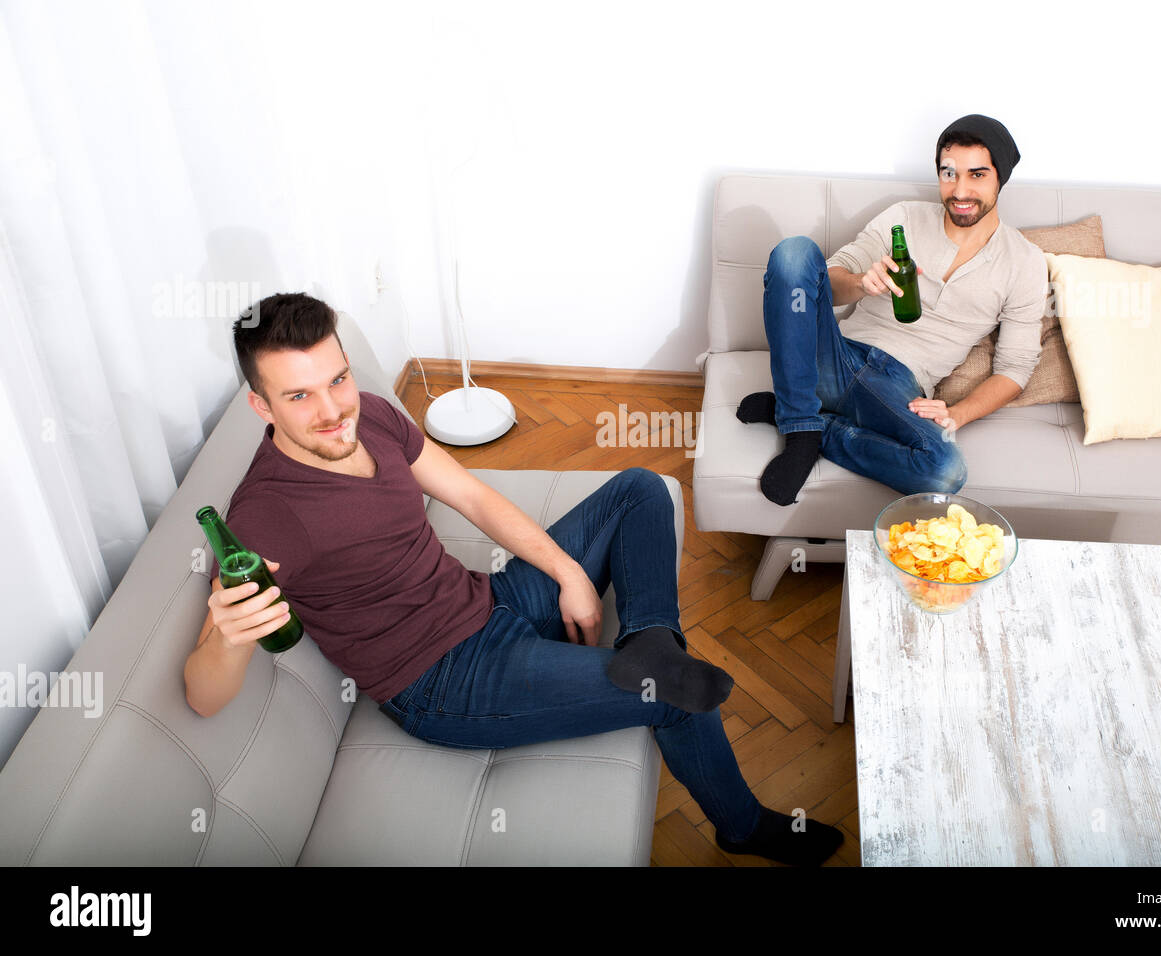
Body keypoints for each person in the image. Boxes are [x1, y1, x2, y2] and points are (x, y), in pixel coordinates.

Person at [183, 292, 845, 866]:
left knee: (641, 491)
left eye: (337, 380)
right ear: (260, 405)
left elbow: (470, 496)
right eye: (299, 395)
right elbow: (204, 696)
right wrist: (228, 638)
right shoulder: (266, 520)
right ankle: (743, 826)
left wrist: (565, 572)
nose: (331, 411)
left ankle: (649, 634)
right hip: (443, 680)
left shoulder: (372, 418)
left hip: (488, 598)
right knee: (670, 690)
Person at [738, 114, 1049, 505]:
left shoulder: (1025, 261)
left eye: (977, 175)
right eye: (949, 173)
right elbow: (825, 281)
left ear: (999, 178)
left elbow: (1015, 368)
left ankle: (804, 419)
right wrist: (859, 284)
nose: (960, 189)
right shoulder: (903, 218)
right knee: (794, 253)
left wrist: (959, 413)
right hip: (834, 358)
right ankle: (801, 431)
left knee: (945, 470)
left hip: (898, 389)